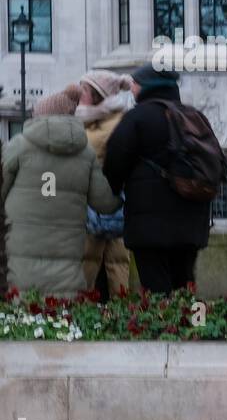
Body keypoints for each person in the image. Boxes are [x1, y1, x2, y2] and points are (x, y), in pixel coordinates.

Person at [102, 66, 212, 294]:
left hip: (149, 226)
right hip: (192, 222)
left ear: (146, 86)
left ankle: (161, 329)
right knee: (184, 285)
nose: (131, 89)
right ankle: (194, 327)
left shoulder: (137, 118)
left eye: (134, 84)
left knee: (156, 291)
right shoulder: (194, 116)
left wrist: (115, 190)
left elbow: (114, 163)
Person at [2, 87, 120, 297]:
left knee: (23, 308)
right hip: (68, 254)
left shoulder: (19, 146)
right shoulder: (86, 153)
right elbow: (105, 203)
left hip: (21, 252)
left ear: (39, 115)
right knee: (61, 308)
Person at [77, 71, 135, 296]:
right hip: (111, 201)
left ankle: (81, 309)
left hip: (100, 202)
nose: (80, 95)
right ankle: (117, 310)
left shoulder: (110, 122)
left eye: (84, 90)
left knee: (94, 258)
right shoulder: (97, 118)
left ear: (97, 94)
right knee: (116, 259)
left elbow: (88, 151)